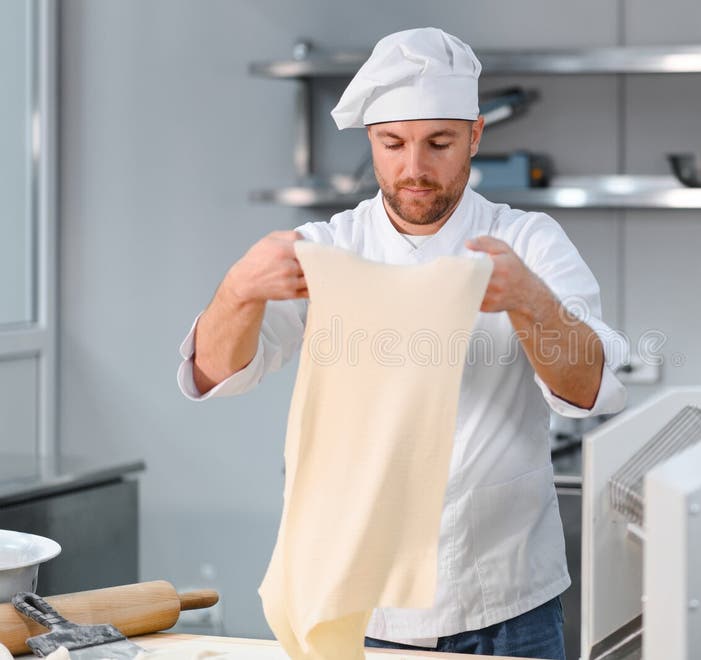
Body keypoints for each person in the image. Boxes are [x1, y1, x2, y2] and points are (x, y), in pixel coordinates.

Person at [177, 27, 628, 659]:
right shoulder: (329, 249)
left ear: (475, 135)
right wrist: (238, 290)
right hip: (360, 600)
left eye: (439, 143)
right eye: (393, 143)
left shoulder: (529, 242)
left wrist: (529, 299)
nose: (414, 168)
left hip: (506, 603)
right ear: (371, 139)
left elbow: (591, 389)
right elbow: (212, 372)